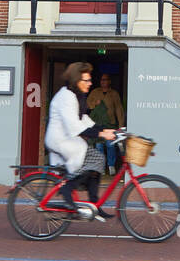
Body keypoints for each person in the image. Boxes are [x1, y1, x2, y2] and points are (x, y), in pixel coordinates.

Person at [45, 61, 117, 218]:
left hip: (69, 139)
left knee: (97, 158)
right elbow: (74, 126)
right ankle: (67, 188)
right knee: (86, 162)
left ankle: (94, 206)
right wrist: (102, 134)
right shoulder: (66, 97)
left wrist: (105, 129)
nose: (90, 83)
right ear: (77, 80)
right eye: (87, 80)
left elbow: (84, 119)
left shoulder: (76, 95)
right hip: (60, 141)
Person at [86, 71, 126, 173]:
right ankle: (101, 167)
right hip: (98, 123)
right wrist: (96, 103)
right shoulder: (95, 92)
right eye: (102, 80)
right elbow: (88, 104)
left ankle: (111, 165)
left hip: (110, 124)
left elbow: (119, 110)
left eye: (105, 80)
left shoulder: (114, 94)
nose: (103, 82)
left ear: (109, 81)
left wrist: (120, 126)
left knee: (110, 144)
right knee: (99, 145)